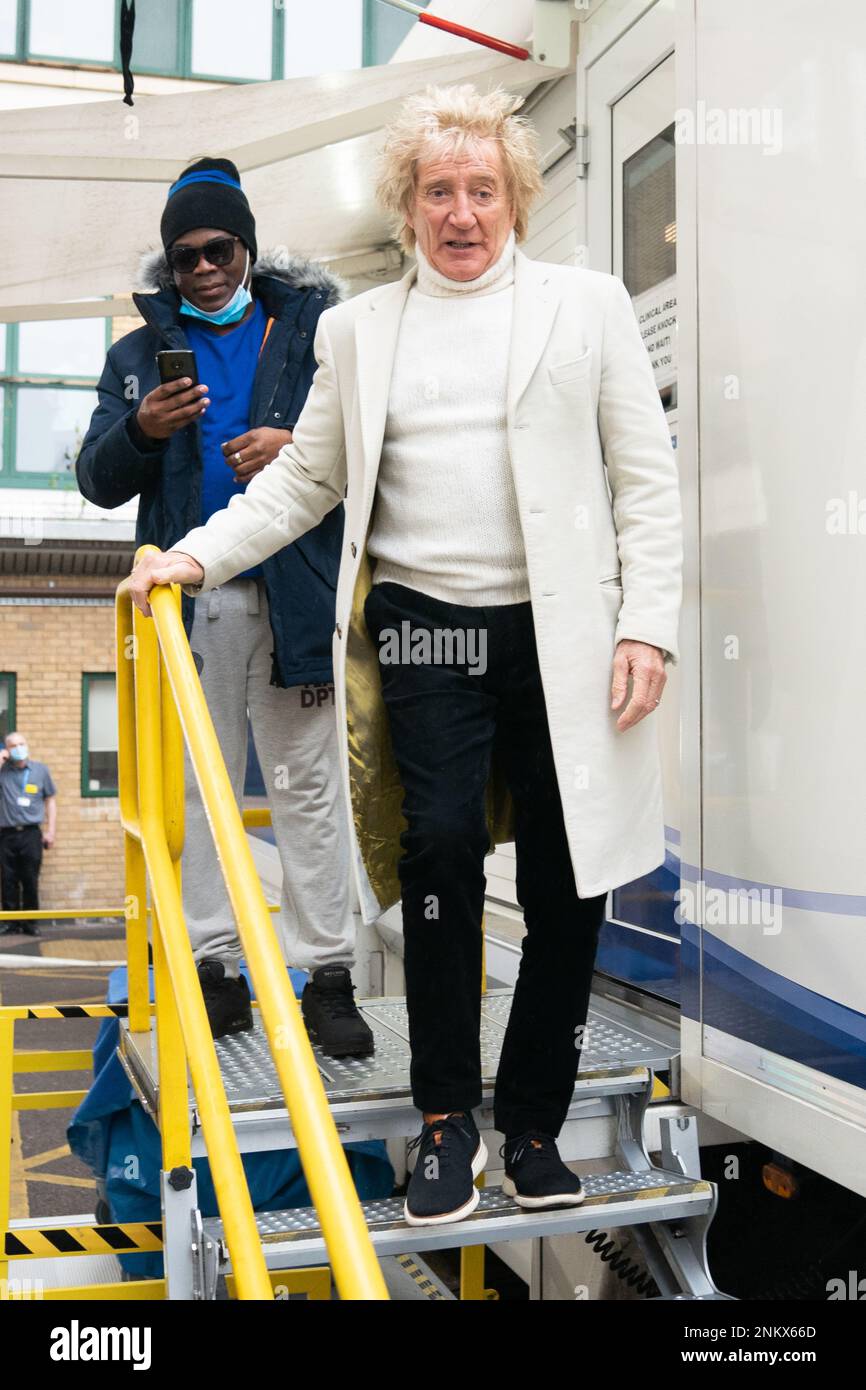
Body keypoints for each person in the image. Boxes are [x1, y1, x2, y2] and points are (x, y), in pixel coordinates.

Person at [127, 86, 683, 1225]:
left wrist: (647, 622)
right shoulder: (358, 331)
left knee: (566, 882)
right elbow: (300, 482)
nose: (461, 212)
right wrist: (190, 557)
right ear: (407, 207)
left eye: (481, 189)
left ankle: (529, 1122)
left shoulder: (586, 306)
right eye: (438, 191)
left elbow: (645, 475)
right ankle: (444, 1119)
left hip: (563, 628)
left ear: (515, 198)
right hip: (426, 625)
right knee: (433, 857)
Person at [77, 157, 373, 1056]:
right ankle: (214, 970)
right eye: (183, 258)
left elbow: (379, 439)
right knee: (201, 795)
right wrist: (143, 429)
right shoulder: (134, 356)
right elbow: (94, 478)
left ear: (247, 246)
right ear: (166, 267)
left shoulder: (319, 326)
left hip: (296, 592)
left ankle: (328, 975)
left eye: (218, 249)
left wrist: (298, 445)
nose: (202, 270)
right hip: (189, 602)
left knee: (308, 790)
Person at [0, 732, 57, 937]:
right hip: (6, 834)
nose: (18, 748)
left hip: (31, 834)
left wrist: (51, 831)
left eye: (21, 743)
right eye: (13, 745)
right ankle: (9, 922)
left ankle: (30, 922)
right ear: (7, 750)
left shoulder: (40, 771)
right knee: (7, 880)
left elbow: (50, 800)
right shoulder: (3, 772)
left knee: (30, 879)